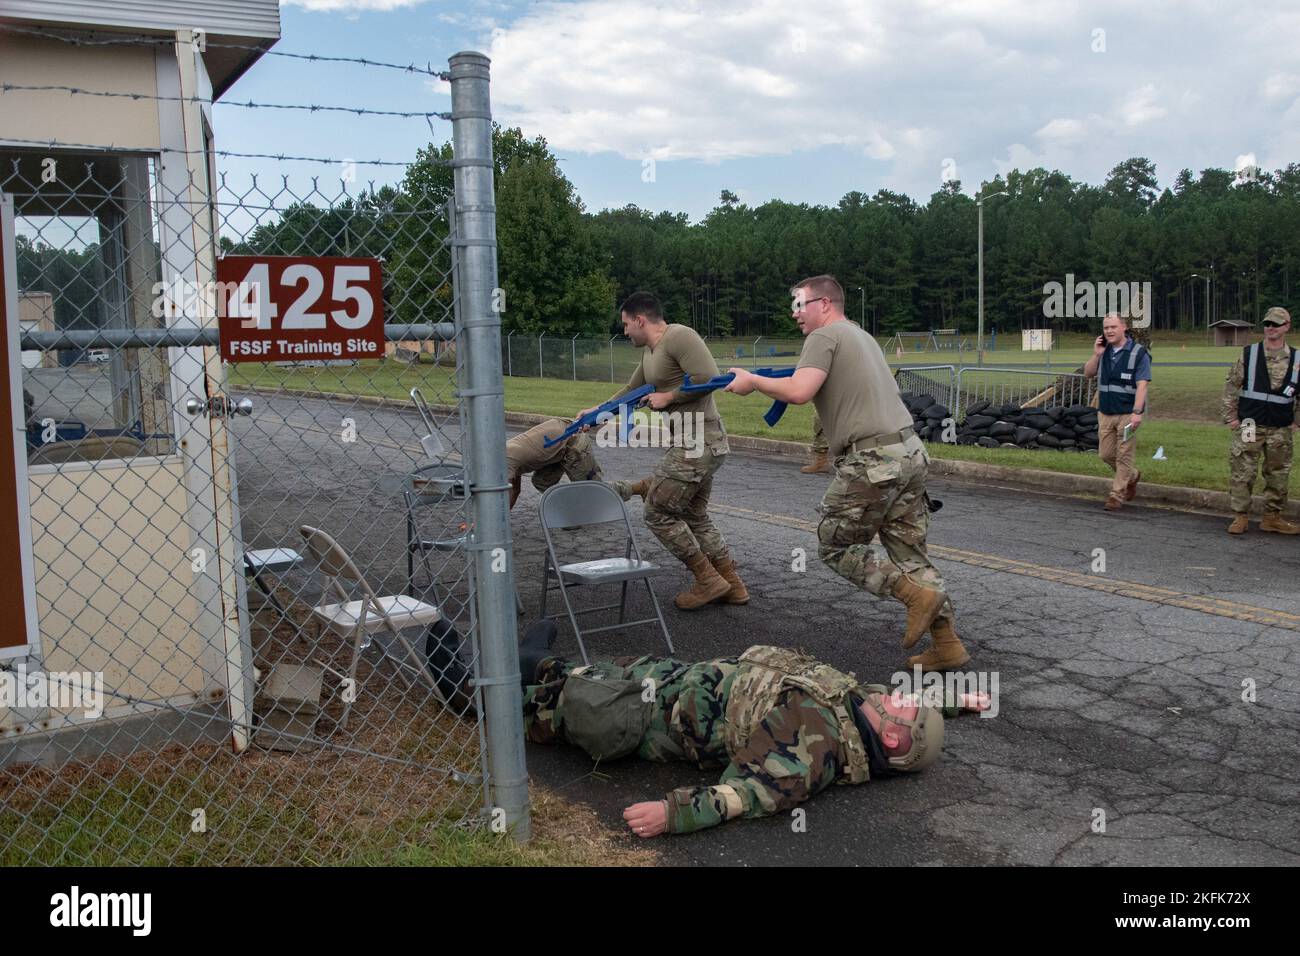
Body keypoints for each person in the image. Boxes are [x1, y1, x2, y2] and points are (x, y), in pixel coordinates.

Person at [510, 628, 987, 837]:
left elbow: (747, 795)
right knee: (600, 669)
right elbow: (892, 698)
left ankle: (476, 692)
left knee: (562, 705)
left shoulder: (813, 753)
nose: (899, 695)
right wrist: (956, 702)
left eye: (905, 706)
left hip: (649, 718)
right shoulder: (856, 706)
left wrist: (671, 814)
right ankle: (544, 661)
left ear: (890, 738)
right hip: (683, 679)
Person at [724, 274, 967, 671]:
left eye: (800, 304)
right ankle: (947, 643)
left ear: (824, 304)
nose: (795, 313)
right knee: (909, 552)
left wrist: (751, 381)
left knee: (834, 546)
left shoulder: (824, 336)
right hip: (909, 452)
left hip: (873, 460)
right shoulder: (860, 336)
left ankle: (911, 595)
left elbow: (800, 391)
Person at [582, 291, 748, 610]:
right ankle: (732, 586)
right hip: (695, 442)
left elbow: (709, 378)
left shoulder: (679, 336)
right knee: (693, 514)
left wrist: (669, 398)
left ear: (641, 319)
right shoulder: (650, 352)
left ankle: (708, 580)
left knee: (657, 512)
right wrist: (594, 413)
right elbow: (630, 393)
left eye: (627, 324)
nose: (625, 331)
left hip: (698, 440)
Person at [1222, 306, 1300, 535]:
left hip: (1280, 427)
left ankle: (1272, 517)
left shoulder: (1296, 359)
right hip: (1249, 424)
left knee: (1278, 473)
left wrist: (1297, 421)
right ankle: (1240, 516)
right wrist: (1231, 417)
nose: (1270, 328)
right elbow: (1231, 385)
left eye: (1276, 324)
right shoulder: (1249, 354)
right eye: (1267, 324)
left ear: (1286, 326)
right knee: (1242, 470)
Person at [1082, 312, 1151, 511]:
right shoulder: (1104, 351)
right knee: (1105, 454)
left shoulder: (1138, 353)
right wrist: (1096, 354)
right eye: (1106, 328)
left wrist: (1138, 412)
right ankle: (1133, 476)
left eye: (1113, 327)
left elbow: (1142, 384)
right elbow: (1088, 373)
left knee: (1124, 455)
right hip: (1105, 412)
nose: (1109, 331)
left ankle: (1116, 495)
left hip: (1127, 413)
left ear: (1124, 327)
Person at [505, 418, 601, 509]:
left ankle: (615, 490)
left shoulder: (505, 461)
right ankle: (569, 512)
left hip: (572, 437)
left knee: (593, 489)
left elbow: (504, 496)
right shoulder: (504, 458)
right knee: (541, 482)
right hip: (555, 446)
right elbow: (515, 490)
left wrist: (498, 520)